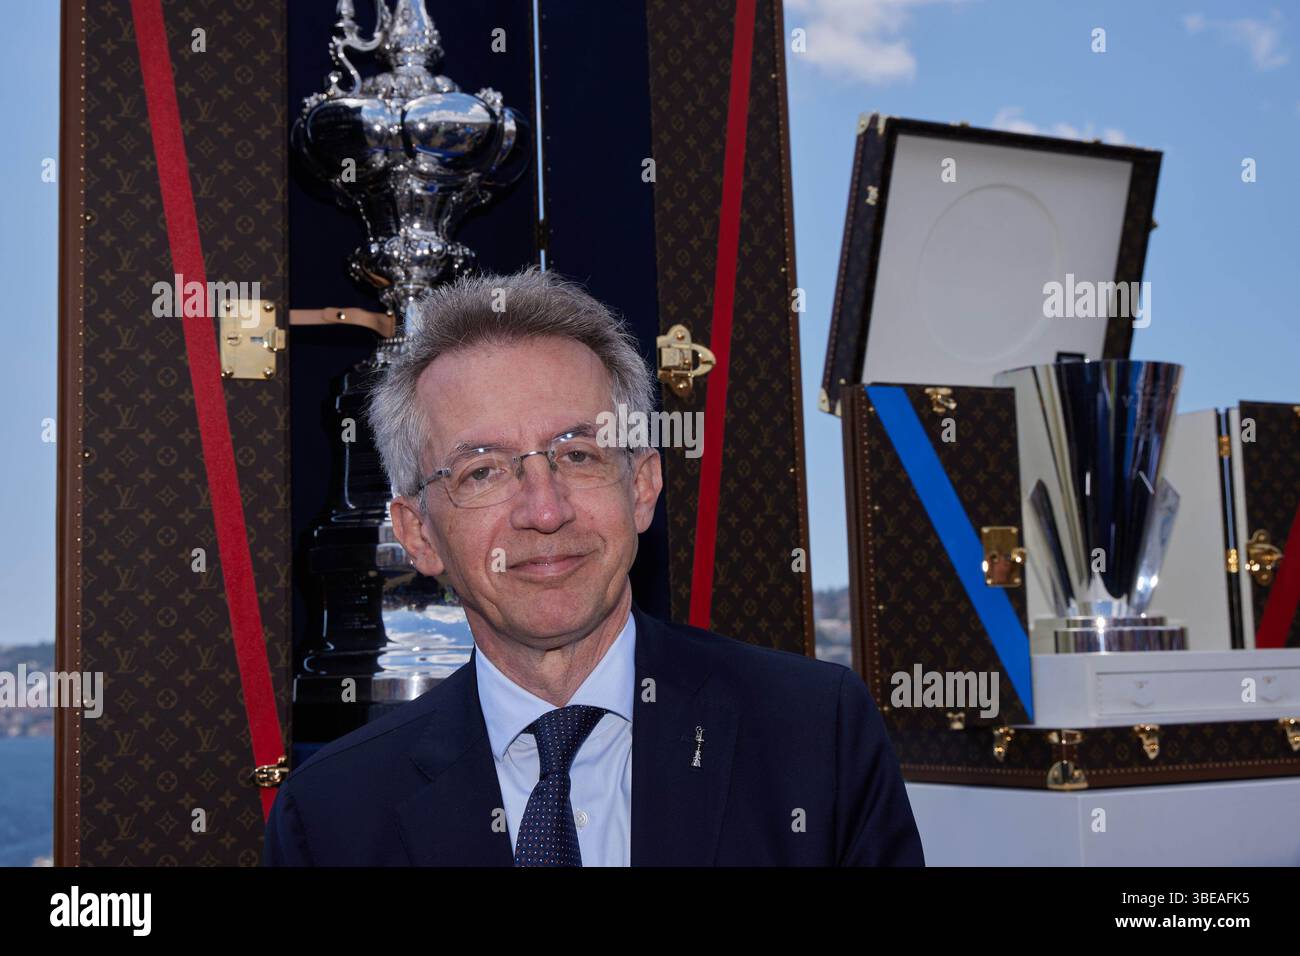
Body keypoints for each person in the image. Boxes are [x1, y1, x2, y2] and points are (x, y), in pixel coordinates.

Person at [262, 267, 924, 866]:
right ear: (417, 533)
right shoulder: (329, 821)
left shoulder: (816, 738)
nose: (545, 512)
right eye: (483, 470)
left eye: (578, 455)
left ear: (641, 486)